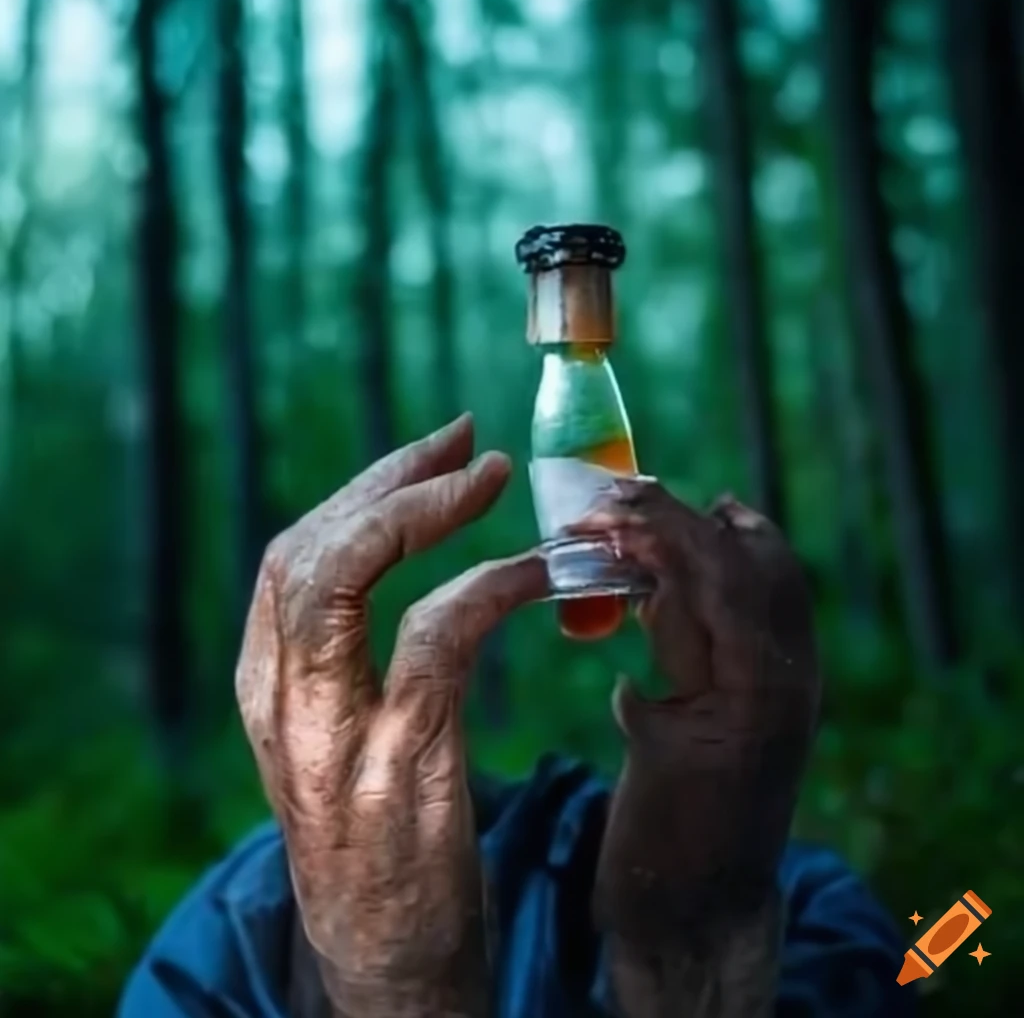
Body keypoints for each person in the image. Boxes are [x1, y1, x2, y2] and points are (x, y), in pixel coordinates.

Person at [119, 415, 914, 1017]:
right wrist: (393, 988)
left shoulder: (808, 901)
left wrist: (690, 949)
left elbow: (934, 957)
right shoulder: (238, 940)